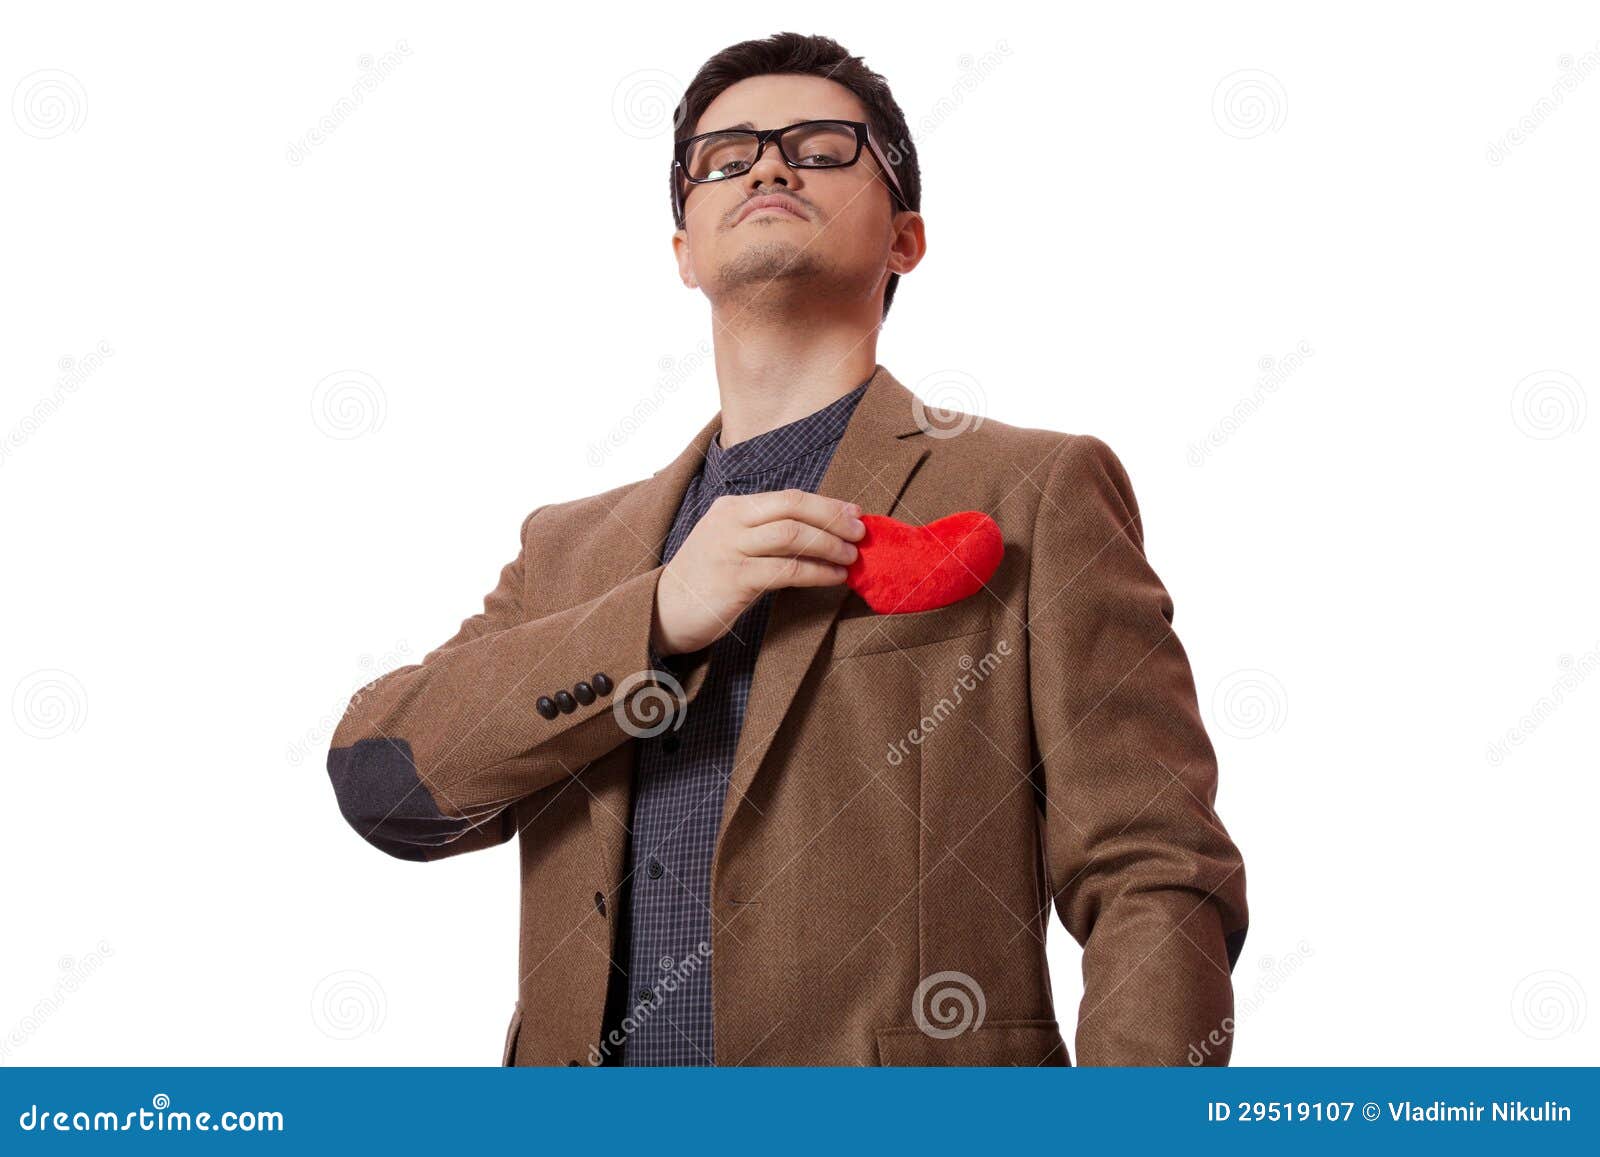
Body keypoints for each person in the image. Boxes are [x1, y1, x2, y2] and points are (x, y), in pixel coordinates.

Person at [325, 31, 1249, 1067]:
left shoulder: (1036, 489)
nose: (766, 164)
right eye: (724, 157)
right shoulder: (569, 551)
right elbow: (382, 781)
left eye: (820, 148)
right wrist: (658, 612)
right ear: (682, 249)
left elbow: (1153, 867)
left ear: (906, 237)